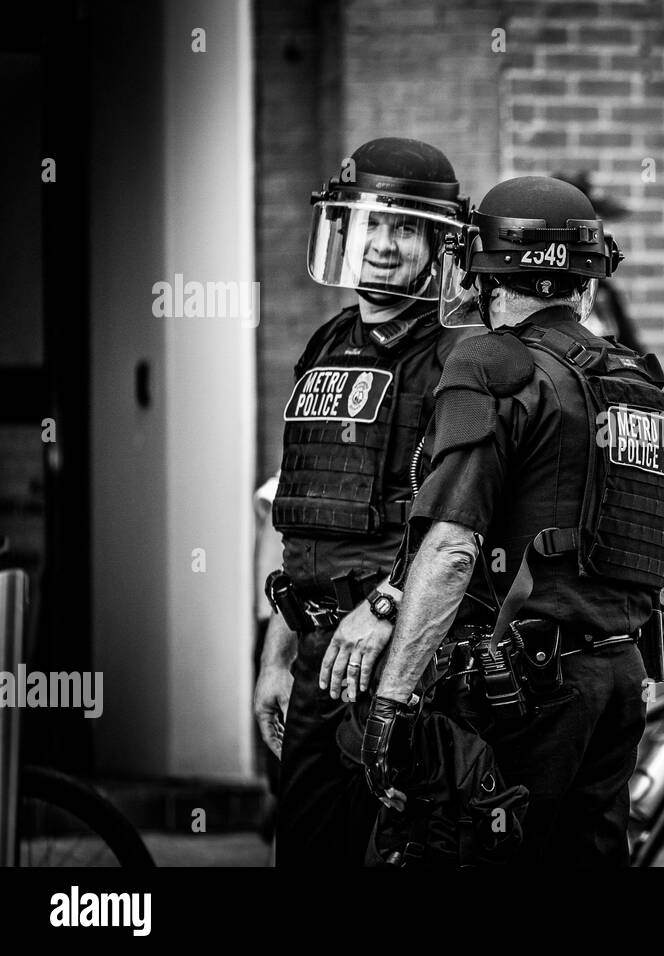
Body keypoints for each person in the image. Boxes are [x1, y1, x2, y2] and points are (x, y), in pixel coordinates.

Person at [360, 175, 664, 865]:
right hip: (620, 679)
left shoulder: (490, 363)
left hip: (520, 690)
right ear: (587, 285)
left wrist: (390, 702)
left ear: (486, 279)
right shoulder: (643, 388)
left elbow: (451, 546)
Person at [251, 137, 480, 866]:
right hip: (319, 657)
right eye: (370, 223)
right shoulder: (325, 343)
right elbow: (301, 510)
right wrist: (278, 653)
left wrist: (384, 610)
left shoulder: (458, 356)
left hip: (406, 667)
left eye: (406, 227)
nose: (382, 245)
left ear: (439, 242)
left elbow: (460, 526)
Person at [552, 170, 644, 353]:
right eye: (596, 225)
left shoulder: (602, 290)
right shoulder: (539, 293)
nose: (608, 235)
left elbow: (633, 352)